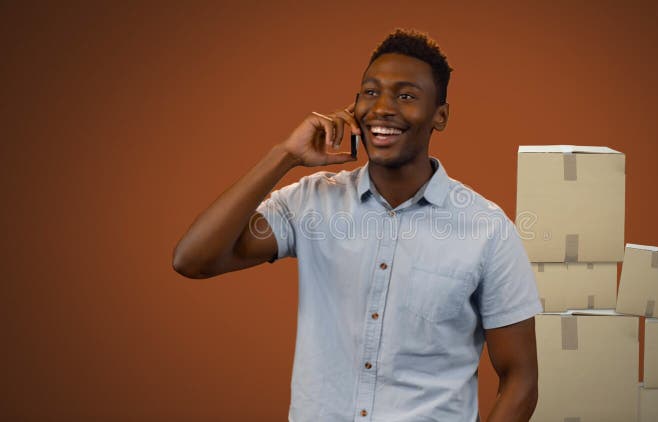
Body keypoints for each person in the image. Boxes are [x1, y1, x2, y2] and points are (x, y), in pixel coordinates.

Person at [173, 28, 543, 422]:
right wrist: (285, 155)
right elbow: (193, 259)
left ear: (441, 116)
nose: (382, 108)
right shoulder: (311, 203)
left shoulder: (487, 230)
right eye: (370, 92)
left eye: (405, 96)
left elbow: (520, 379)